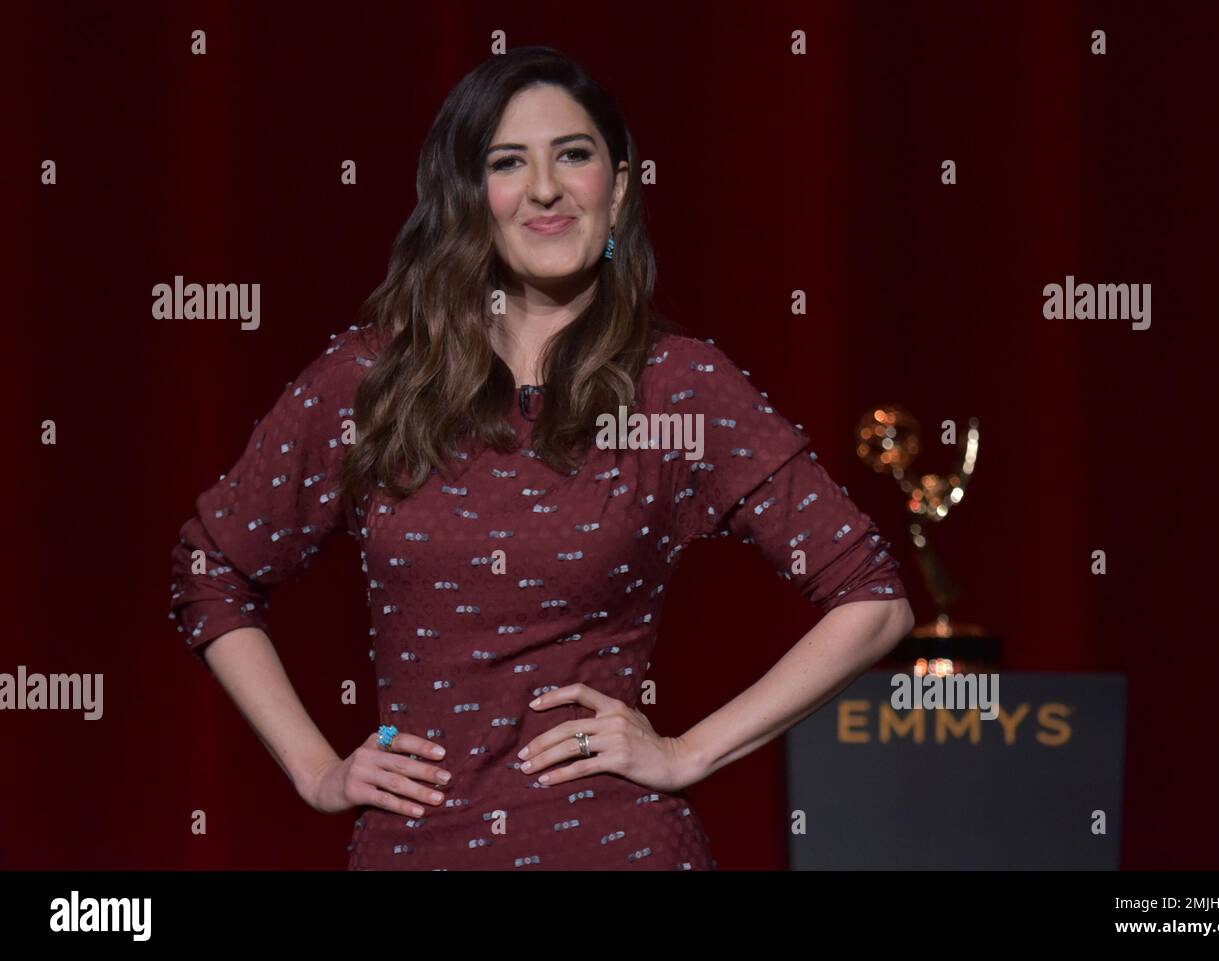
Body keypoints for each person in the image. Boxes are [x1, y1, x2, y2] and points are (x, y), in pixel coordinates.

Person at [168, 46, 914, 870]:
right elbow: (211, 568)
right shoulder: (370, 382)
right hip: (415, 852)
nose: (546, 188)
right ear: (466, 195)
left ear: (618, 188)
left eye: (573, 154)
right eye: (508, 163)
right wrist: (315, 769)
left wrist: (688, 751)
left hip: (615, 848)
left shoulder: (677, 385)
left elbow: (874, 600)